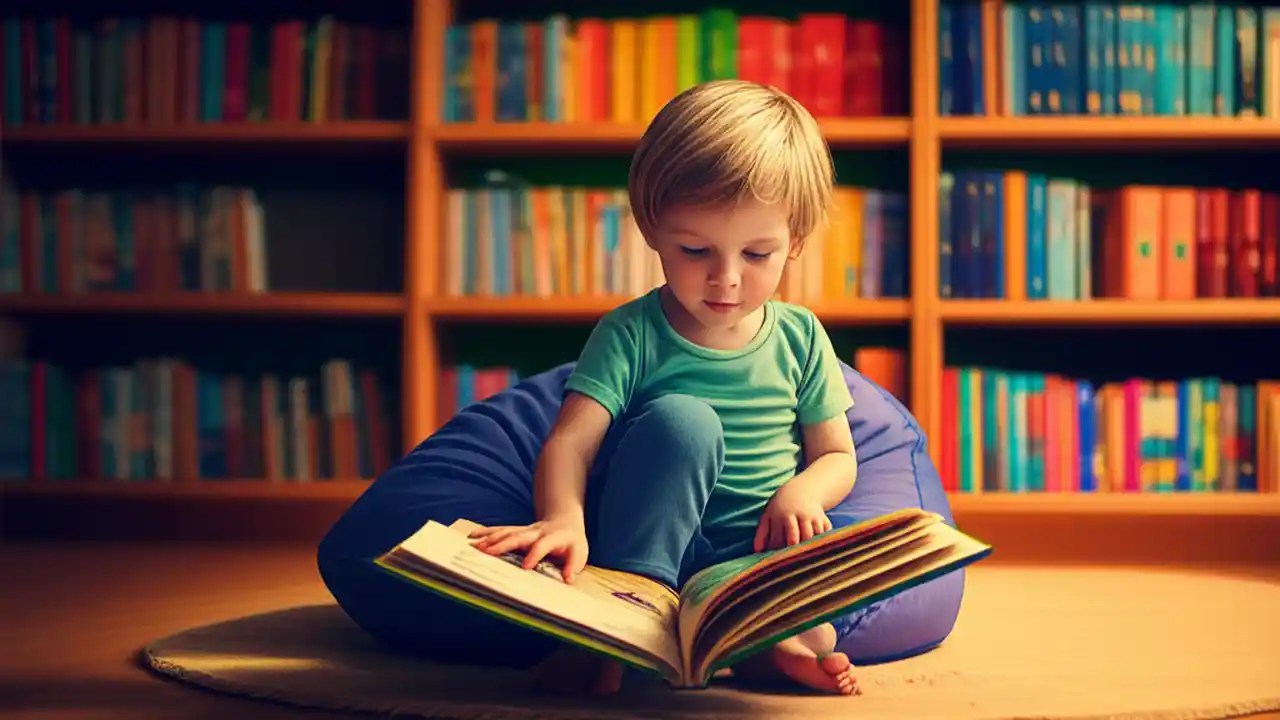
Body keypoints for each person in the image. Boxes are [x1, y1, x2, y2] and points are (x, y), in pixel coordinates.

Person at [467, 79, 861, 697]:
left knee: (822, 594)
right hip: (650, 544)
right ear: (651, 228)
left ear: (797, 244)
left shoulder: (801, 336)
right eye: (696, 249)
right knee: (685, 422)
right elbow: (571, 442)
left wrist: (802, 493)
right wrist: (563, 517)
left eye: (758, 255)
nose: (725, 280)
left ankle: (763, 648)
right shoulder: (632, 332)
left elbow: (837, 454)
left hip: (753, 542)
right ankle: (624, 624)